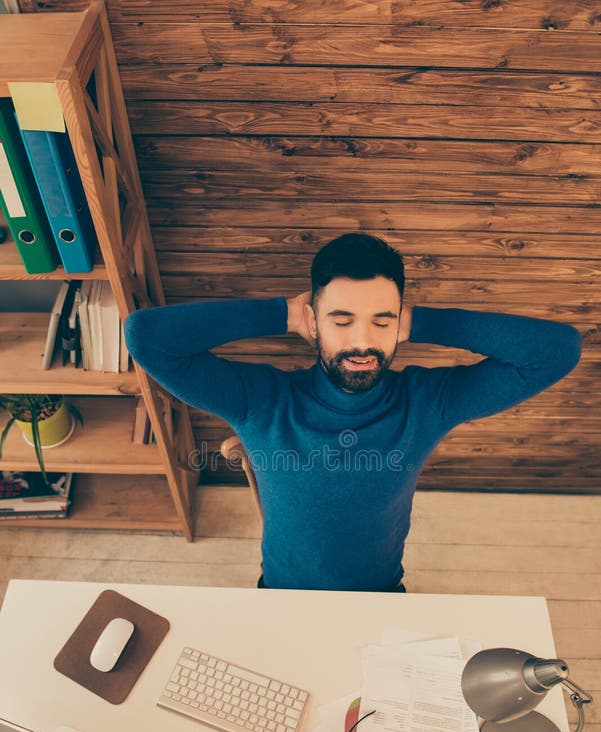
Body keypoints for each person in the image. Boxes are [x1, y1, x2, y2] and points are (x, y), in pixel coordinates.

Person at [124, 232, 582, 592]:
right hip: (282, 595)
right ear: (312, 322)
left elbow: (557, 350)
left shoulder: (427, 401)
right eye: (341, 321)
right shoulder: (261, 398)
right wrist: (281, 312)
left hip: (380, 594)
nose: (362, 342)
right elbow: (146, 337)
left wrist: (424, 320)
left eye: (382, 321)